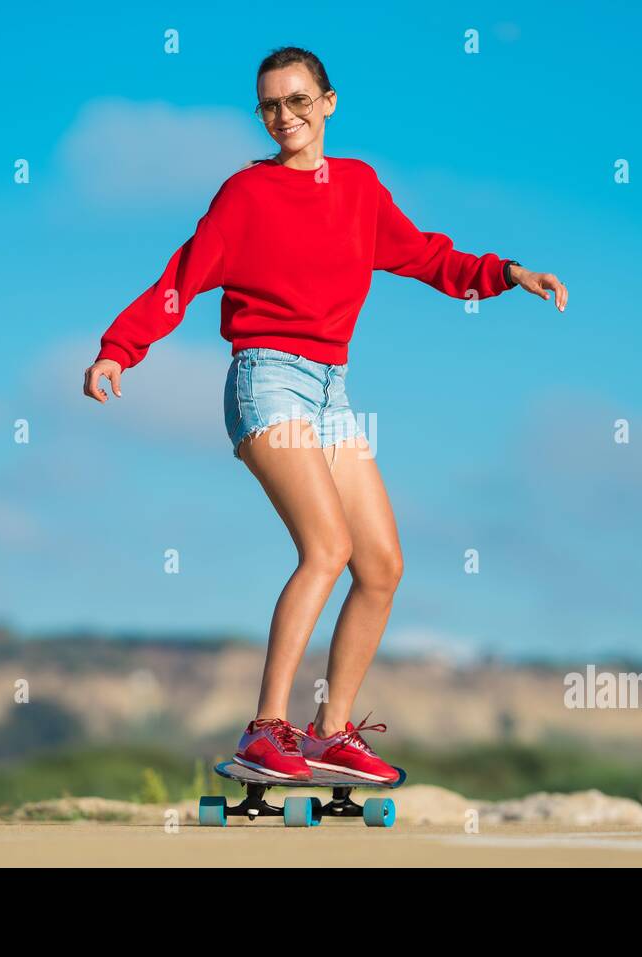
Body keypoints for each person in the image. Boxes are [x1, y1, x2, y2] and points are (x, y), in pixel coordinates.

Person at [84, 46, 567, 782]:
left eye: (299, 100)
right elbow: (181, 279)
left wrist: (506, 272)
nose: (286, 116)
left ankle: (329, 732)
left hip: (330, 389)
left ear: (329, 102)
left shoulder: (360, 188)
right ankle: (264, 730)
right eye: (271, 105)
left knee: (381, 564)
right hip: (266, 377)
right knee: (327, 547)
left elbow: (428, 257)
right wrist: (120, 348)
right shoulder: (245, 195)